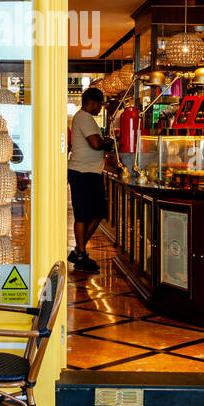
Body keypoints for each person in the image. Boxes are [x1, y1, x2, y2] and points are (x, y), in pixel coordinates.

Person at [67, 87, 113, 273]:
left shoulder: (86, 119)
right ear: (93, 103)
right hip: (83, 172)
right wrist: (107, 142)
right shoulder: (84, 117)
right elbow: (95, 143)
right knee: (84, 214)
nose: (101, 109)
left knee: (98, 212)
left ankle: (79, 251)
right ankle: (80, 253)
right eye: (100, 105)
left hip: (89, 172)